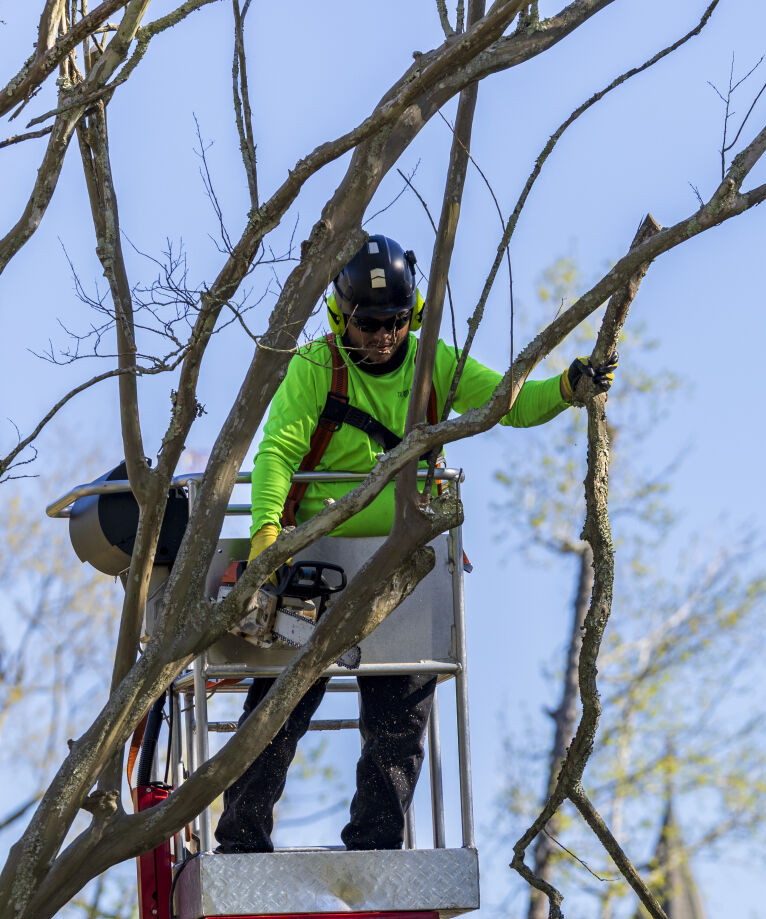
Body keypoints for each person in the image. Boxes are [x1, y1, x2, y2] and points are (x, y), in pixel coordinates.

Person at [214, 235, 616, 854]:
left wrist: (568, 387)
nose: (383, 336)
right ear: (341, 317)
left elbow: (511, 402)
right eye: (370, 323)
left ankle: (376, 846)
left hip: (403, 565)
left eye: (397, 322)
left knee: (401, 713)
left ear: (414, 315)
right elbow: (278, 452)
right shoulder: (318, 368)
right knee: (281, 704)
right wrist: (269, 536)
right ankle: (241, 838)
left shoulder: (433, 368)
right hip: (318, 564)